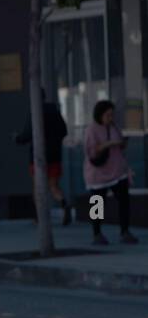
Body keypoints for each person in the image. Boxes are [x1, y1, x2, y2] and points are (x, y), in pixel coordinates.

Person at [84, 100, 137, 245]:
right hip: (98, 173)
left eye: (112, 114)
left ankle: (125, 231)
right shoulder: (91, 130)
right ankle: (97, 233)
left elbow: (120, 145)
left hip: (117, 170)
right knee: (97, 204)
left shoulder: (114, 127)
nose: (110, 118)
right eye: (108, 115)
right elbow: (91, 151)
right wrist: (111, 143)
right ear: (99, 114)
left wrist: (122, 143)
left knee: (124, 201)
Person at [16, 93, 73, 225]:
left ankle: (39, 216)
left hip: (38, 156)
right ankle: (64, 202)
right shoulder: (54, 111)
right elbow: (64, 131)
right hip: (54, 155)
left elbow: (27, 133)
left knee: (38, 187)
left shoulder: (34, 112)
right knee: (53, 186)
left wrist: (17, 138)